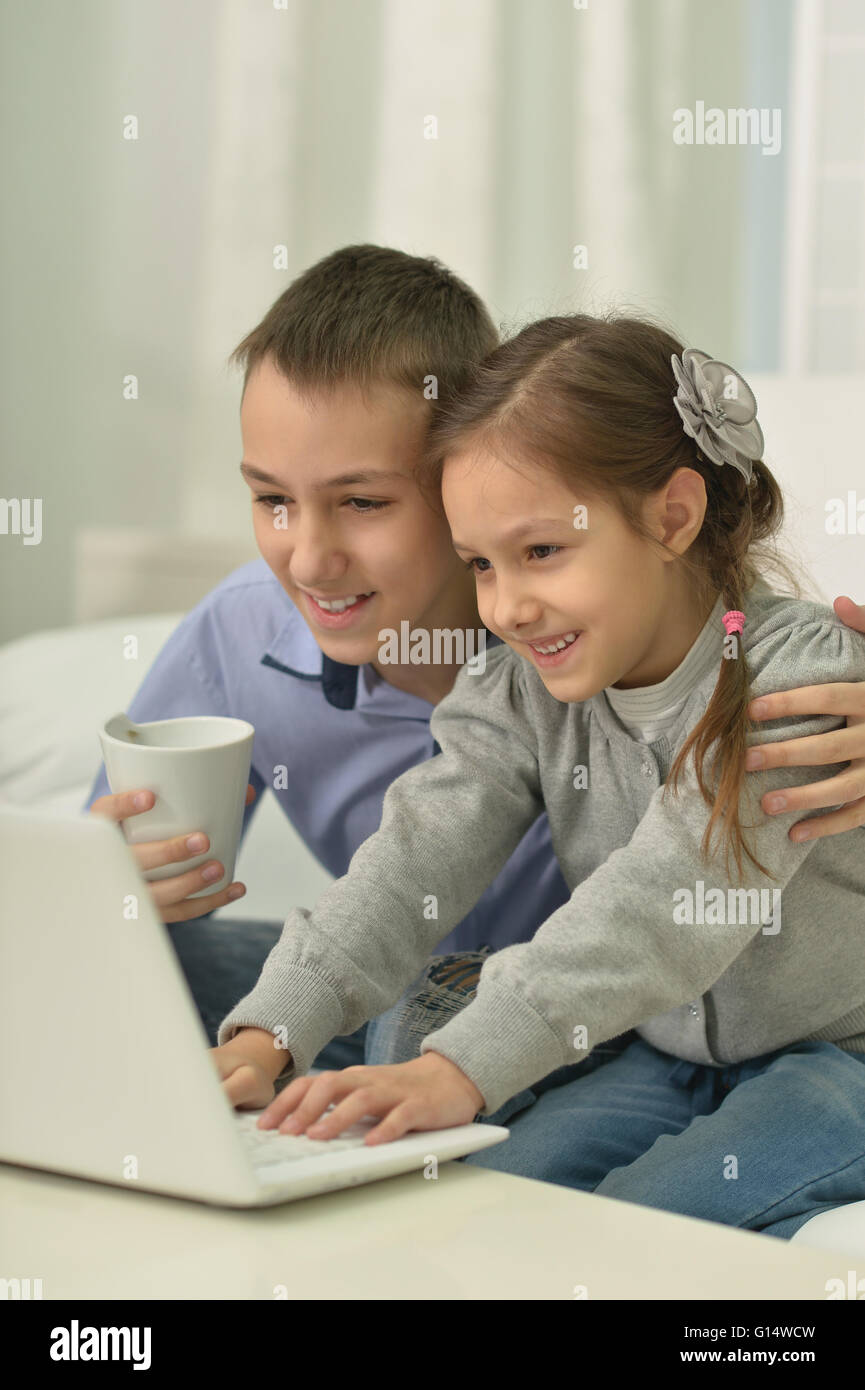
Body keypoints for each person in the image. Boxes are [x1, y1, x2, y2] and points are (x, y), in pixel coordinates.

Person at [85, 246, 865, 1079]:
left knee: (418, 1029)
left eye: (362, 502)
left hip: (587, 1006)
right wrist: (95, 889)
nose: (309, 561)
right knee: (160, 977)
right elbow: (403, 864)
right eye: (271, 498)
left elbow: (661, 897)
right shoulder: (243, 633)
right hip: (432, 982)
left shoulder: (614, 629)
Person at [210, 313, 865, 1240]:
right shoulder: (520, 691)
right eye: (480, 563)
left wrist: (459, 1068)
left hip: (840, 1060)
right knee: (491, 1204)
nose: (507, 606)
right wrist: (268, 1032)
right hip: (664, 1052)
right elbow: (409, 862)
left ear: (672, 516)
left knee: (648, 1222)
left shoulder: (795, 680)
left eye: (542, 552)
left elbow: (661, 906)